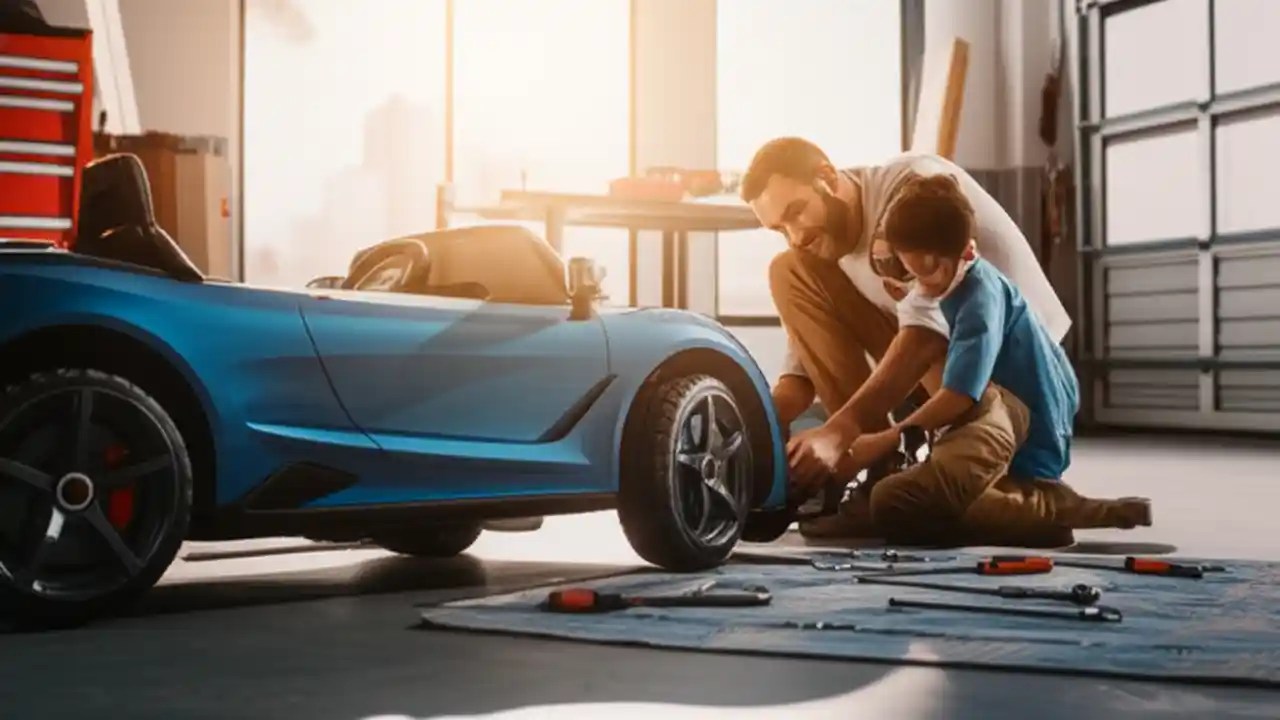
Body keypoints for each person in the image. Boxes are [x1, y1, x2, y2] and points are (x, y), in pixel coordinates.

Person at [740, 136, 1070, 538]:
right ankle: (879, 471)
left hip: (1011, 379)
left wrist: (836, 433)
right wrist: (756, 426)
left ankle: (903, 464)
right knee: (789, 270)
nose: (795, 234)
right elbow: (802, 373)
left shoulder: (914, 193)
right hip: (940, 363)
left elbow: (925, 337)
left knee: (950, 503)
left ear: (826, 177)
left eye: (796, 212)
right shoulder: (822, 243)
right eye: (780, 227)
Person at [835, 172, 1150, 546]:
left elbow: (960, 397)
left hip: (1023, 427)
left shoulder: (979, 296)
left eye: (931, 269)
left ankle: (1051, 508)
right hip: (999, 416)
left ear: (967, 252)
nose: (925, 283)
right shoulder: (946, 285)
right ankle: (1027, 507)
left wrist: (886, 440)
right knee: (900, 501)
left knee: (895, 501)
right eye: (911, 270)